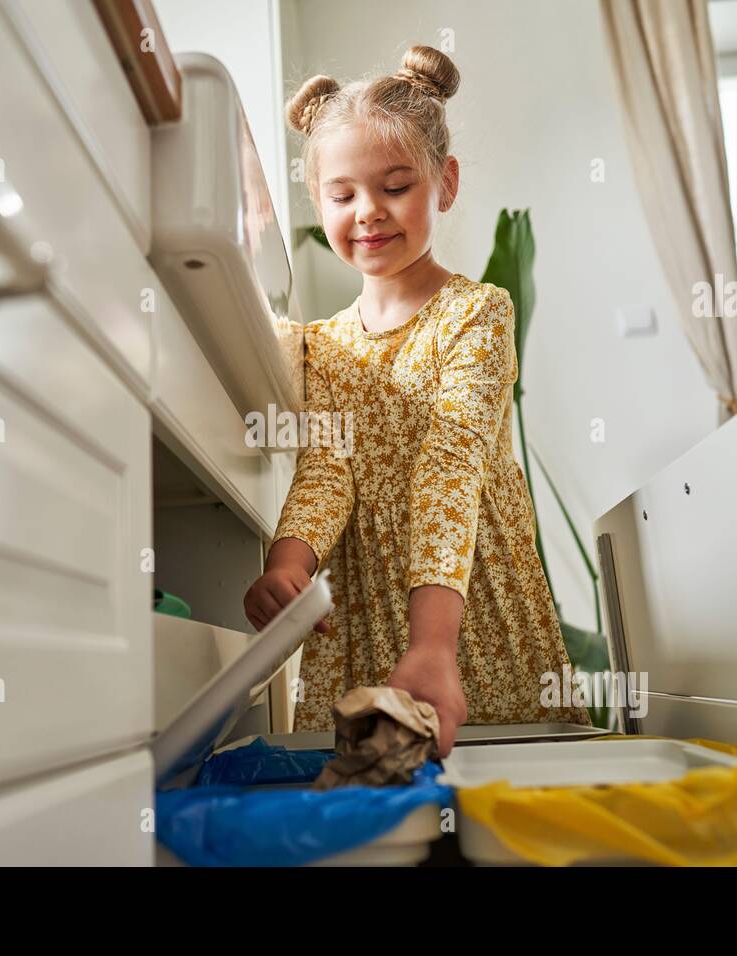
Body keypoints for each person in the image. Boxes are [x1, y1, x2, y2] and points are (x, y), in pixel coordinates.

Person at [244, 45, 591, 756]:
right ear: (319, 202)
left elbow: (450, 466)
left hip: (468, 607)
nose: (368, 212)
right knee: (381, 796)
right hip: (365, 619)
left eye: (395, 186)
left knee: (501, 783)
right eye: (342, 196)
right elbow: (327, 472)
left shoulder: (476, 313)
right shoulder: (323, 346)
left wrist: (434, 644)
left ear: (445, 183)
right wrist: (288, 562)